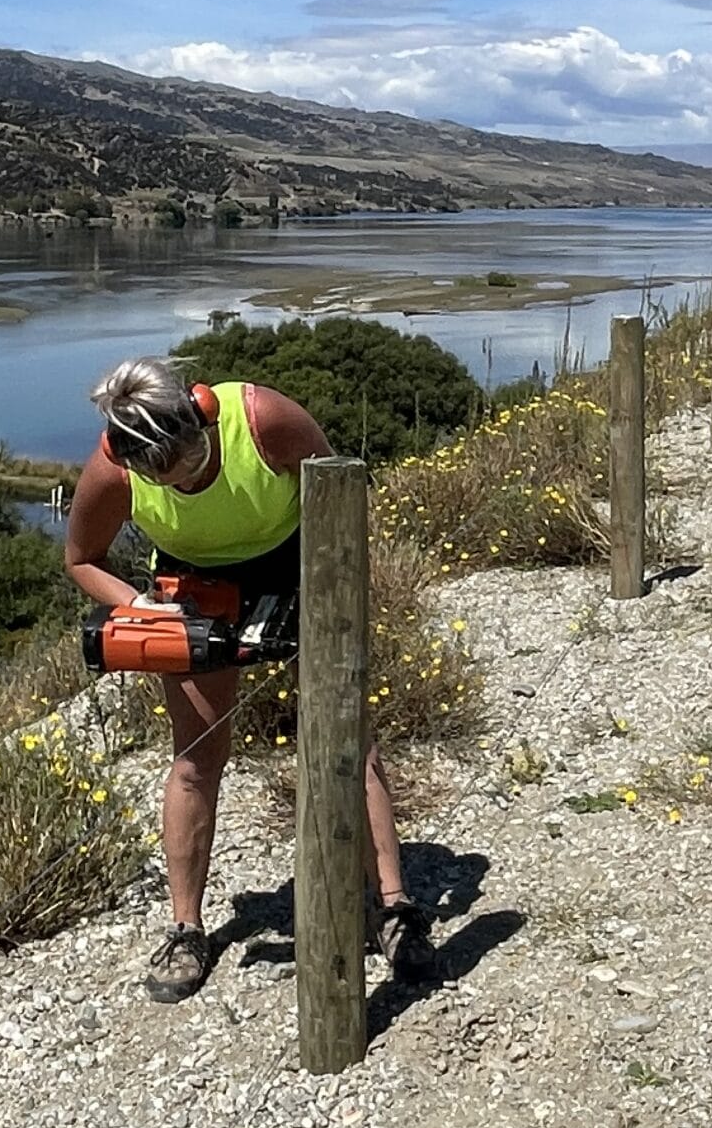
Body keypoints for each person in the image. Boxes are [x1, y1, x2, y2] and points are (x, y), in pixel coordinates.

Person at [64, 355, 435, 1001]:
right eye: (163, 478)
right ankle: (186, 928)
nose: (181, 482)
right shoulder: (113, 469)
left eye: (189, 464)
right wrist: (140, 606)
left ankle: (393, 906)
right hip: (191, 588)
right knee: (195, 759)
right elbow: (82, 558)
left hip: (299, 560)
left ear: (202, 414)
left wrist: (332, 590)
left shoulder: (264, 421)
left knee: (350, 738)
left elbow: (341, 494)